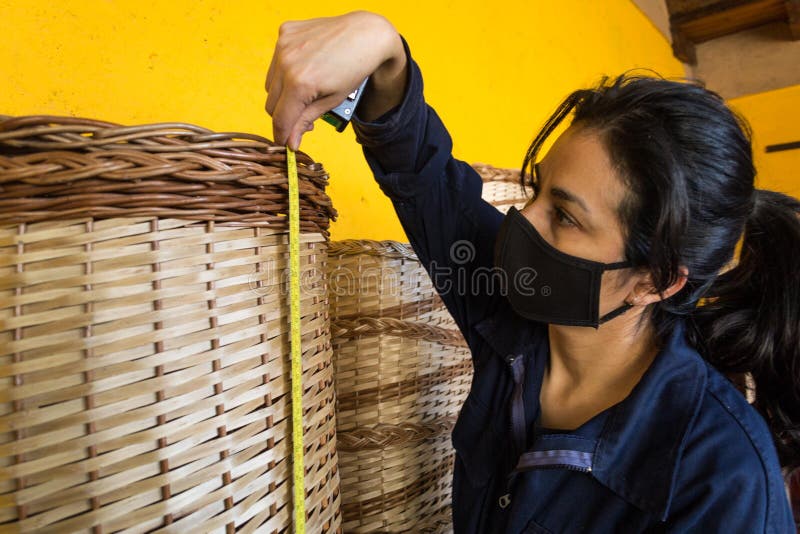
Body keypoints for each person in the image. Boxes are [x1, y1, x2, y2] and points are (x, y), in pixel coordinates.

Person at [265, 11, 800, 533]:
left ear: (656, 281)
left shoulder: (723, 478)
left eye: (565, 216)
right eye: (537, 190)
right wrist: (383, 51)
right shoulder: (520, 307)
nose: (523, 222)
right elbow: (428, 181)